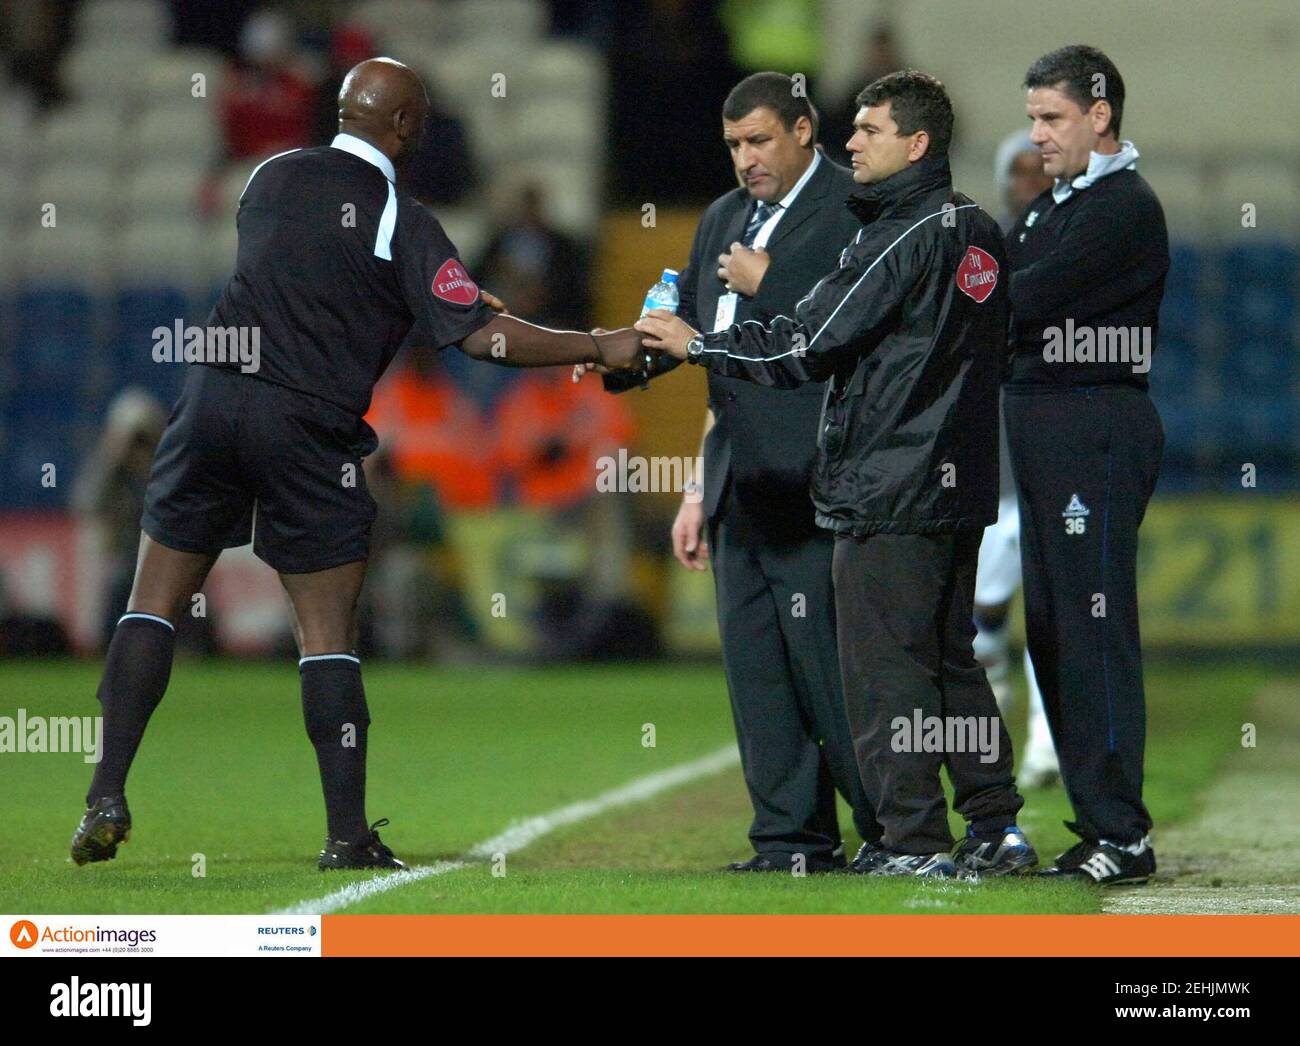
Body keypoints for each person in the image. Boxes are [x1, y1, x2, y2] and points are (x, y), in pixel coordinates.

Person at [69, 58, 644, 872]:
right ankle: (346, 836)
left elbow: (307, 269)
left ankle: (106, 793)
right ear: (406, 127)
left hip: (208, 399)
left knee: (152, 602)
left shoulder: (268, 175)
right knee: (327, 633)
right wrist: (598, 344)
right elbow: (482, 337)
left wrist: (442, 297)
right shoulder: (402, 219)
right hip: (304, 420)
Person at [637, 71, 1035, 878]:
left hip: (890, 485)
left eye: (870, 129)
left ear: (917, 144)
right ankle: (995, 826)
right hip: (960, 483)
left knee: (886, 673)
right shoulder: (979, 229)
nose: (851, 141)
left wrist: (697, 344)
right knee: (951, 660)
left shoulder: (897, 233)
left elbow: (801, 346)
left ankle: (916, 842)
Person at [593, 72, 880, 872]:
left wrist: (774, 282)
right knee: (759, 675)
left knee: (833, 673)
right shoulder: (722, 220)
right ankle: (791, 839)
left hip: (819, 478)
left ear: (802, 131)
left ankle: (896, 834)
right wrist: (694, 487)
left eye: (758, 141)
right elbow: (709, 358)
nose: (744, 159)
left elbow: (849, 333)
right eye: (732, 146)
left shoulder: (853, 210)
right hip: (739, 481)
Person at [1005, 46, 1168, 884]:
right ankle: (1098, 822)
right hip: (1044, 427)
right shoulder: (1052, 208)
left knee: (1093, 629)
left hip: (1091, 426)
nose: (1037, 136)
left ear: (1099, 115)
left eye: (1051, 118)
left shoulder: (1121, 209)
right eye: (1034, 118)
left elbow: (1016, 299)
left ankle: (1125, 836)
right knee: (1055, 630)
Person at [973, 129, 1059, 788]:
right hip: (994, 449)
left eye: (1039, 169)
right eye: (1019, 171)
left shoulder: (1079, 242)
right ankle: (994, 661)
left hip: (1055, 451)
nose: (1030, 180)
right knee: (988, 601)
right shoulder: (983, 252)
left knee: (1053, 605)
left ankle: (1045, 742)